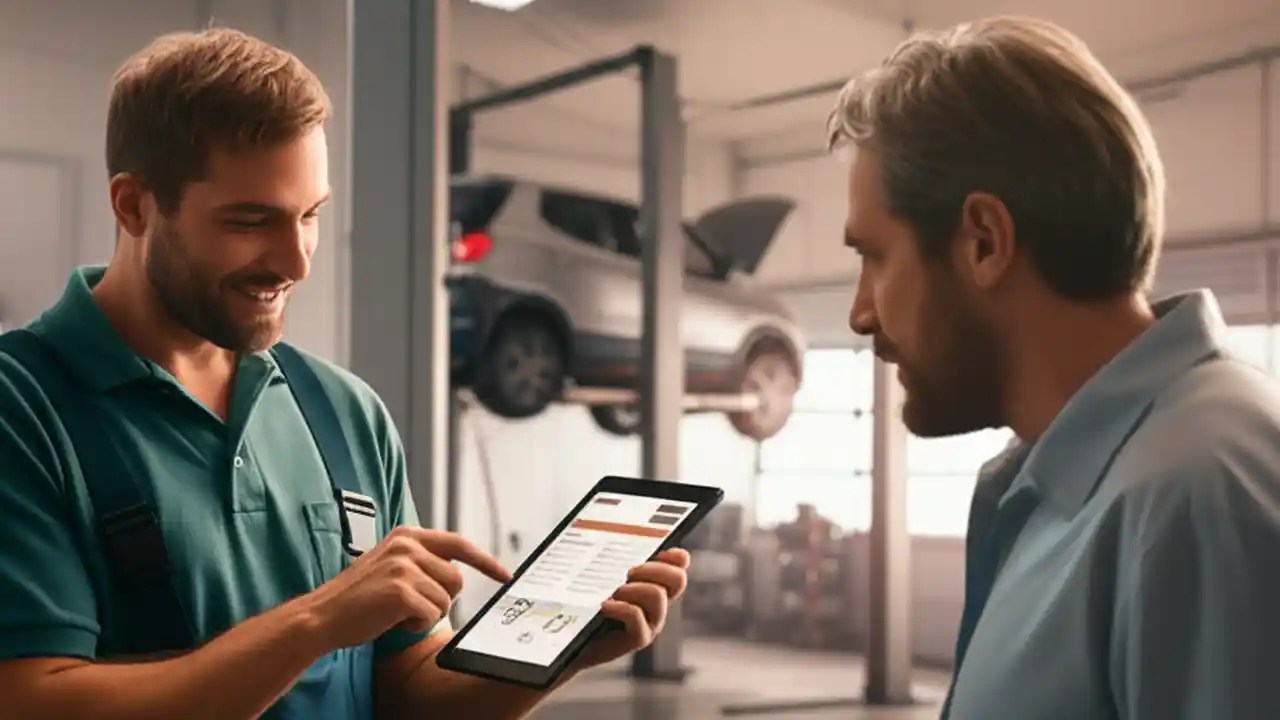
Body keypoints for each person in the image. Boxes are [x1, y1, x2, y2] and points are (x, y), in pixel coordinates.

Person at [0, 28, 690, 719]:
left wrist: (561, 651)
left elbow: (409, 687)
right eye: (251, 220)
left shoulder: (344, 412)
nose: (296, 261)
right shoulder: (21, 409)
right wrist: (318, 621)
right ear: (134, 206)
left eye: (310, 216)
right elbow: (31, 699)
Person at [828, 15, 1280, 720]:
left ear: (983, 242)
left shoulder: (1201, 492)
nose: (860, 314)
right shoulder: (1064, 484)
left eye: (875, 257)